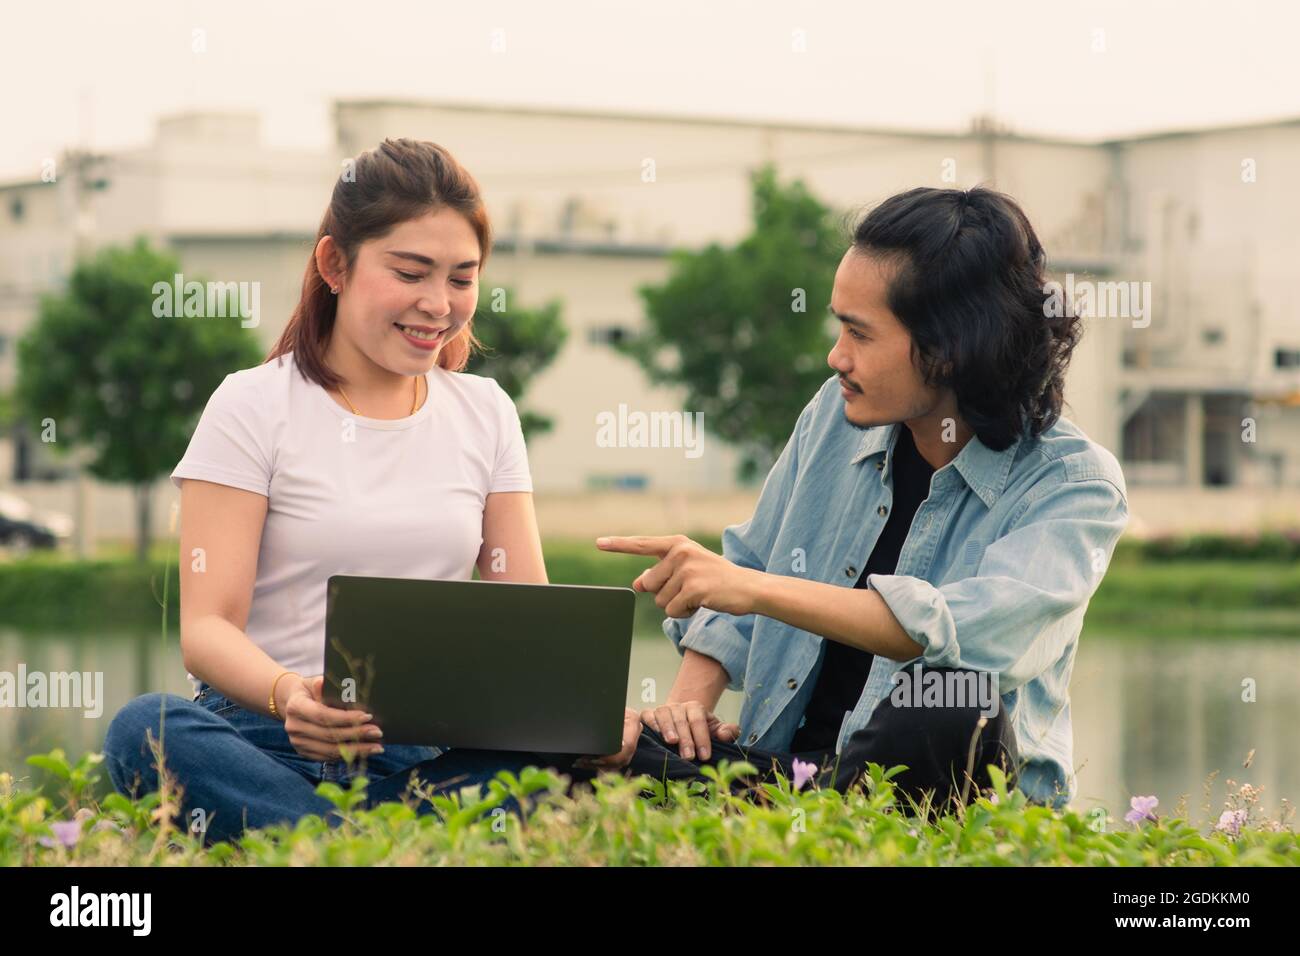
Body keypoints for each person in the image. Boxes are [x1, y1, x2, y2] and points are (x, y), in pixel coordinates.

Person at [103, 138, 637, 844]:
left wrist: (577, 712)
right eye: (411, 272)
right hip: (260, 743)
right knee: (145, 728)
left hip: (423, 757)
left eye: (461, 278)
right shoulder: (252, 406)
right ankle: (379, 844)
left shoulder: (485, 413)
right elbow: (205, 631)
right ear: (335, 264)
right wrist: (291, 694)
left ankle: (325, 843)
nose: (439, 304)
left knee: (543, 749)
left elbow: (526, 626)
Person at [597, 186, 1129, 815]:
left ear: (950, 348)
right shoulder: (833, 412)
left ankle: (790, 814)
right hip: (780, 768)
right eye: (837, 326)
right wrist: (685, 709)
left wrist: (754, 588)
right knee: (593, 739)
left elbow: (950, 634)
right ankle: (759, 802)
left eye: (859, 333)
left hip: (936, 791)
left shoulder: (1074, 485)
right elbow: (748, 570)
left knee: (950, 702)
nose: (836, 356)